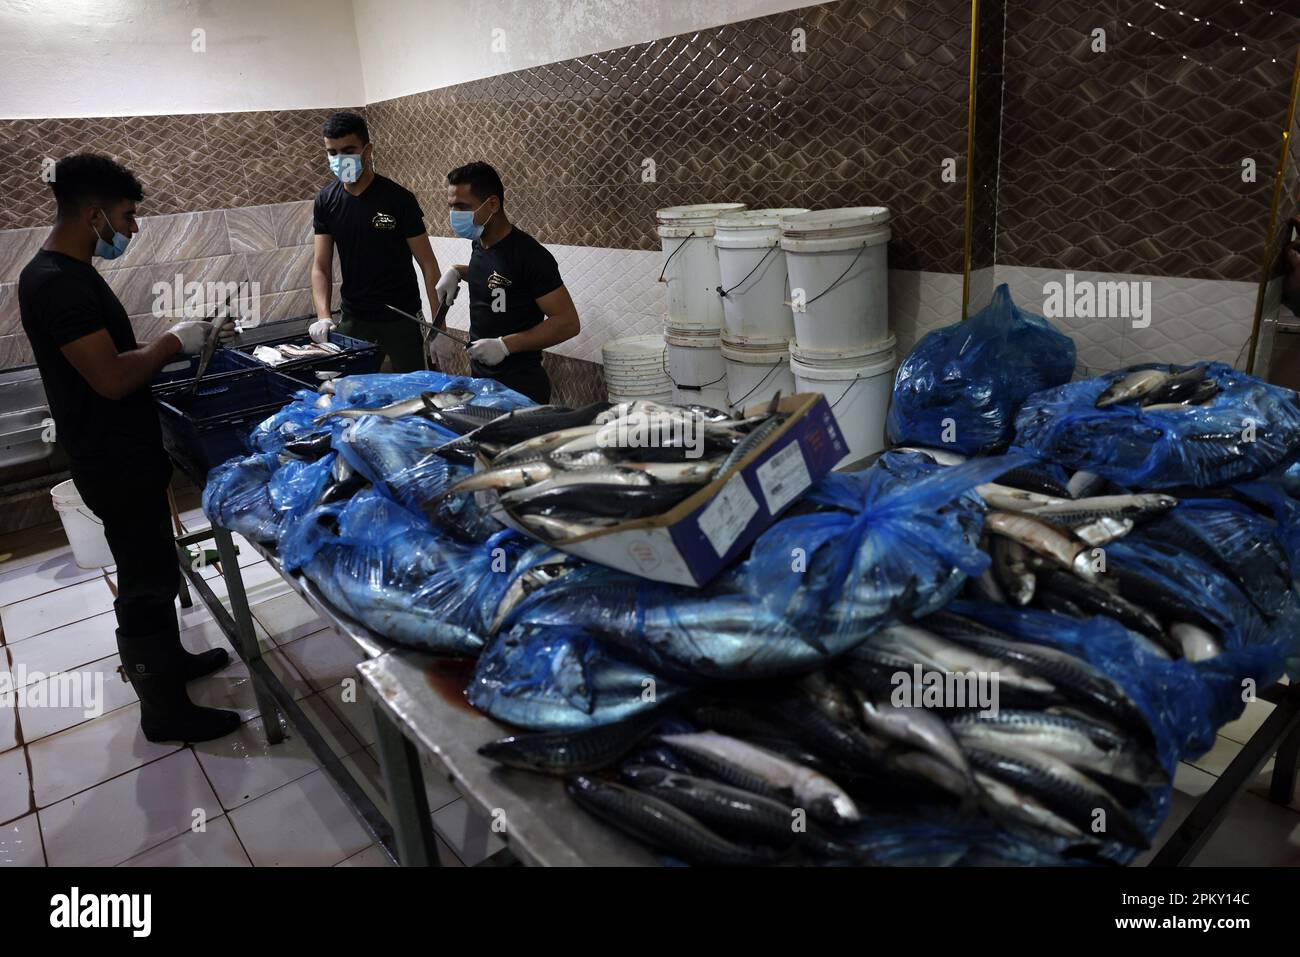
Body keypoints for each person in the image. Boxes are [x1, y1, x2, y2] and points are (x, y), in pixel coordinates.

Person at [18, 153, 241, 743]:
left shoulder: (72, 272)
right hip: (110, 458)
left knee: (157, 568)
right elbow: (111, 377)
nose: (132, 228)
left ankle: (171, 665)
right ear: (93, 214)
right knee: (143, 582)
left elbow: (110, 355)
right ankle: (163, 710)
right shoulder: (56, 283)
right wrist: (172, 343)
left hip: (122, 449)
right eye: (126, 215)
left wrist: (174, 343)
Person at [309, 111, 458, 371]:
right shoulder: (325, 201)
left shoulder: (398, 199)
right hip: (355, 318)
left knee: (415, 390)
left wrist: (439, 327)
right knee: (354, 392)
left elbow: (427, 264)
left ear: (367, 151)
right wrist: (323, 317)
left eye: (348, 150)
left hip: (401, 317)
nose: (340, 159)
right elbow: (320, 266)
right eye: (333, 152)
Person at [442, 161, 580, 402]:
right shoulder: (480, 242)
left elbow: (568, 322)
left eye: (462, 207)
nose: (455, 215)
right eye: (452, 207)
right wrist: (457, 271)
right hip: (481, 381)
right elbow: (498, 277)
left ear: (492, 204)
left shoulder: (530, 256)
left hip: (520, 387)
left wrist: (506, 345)